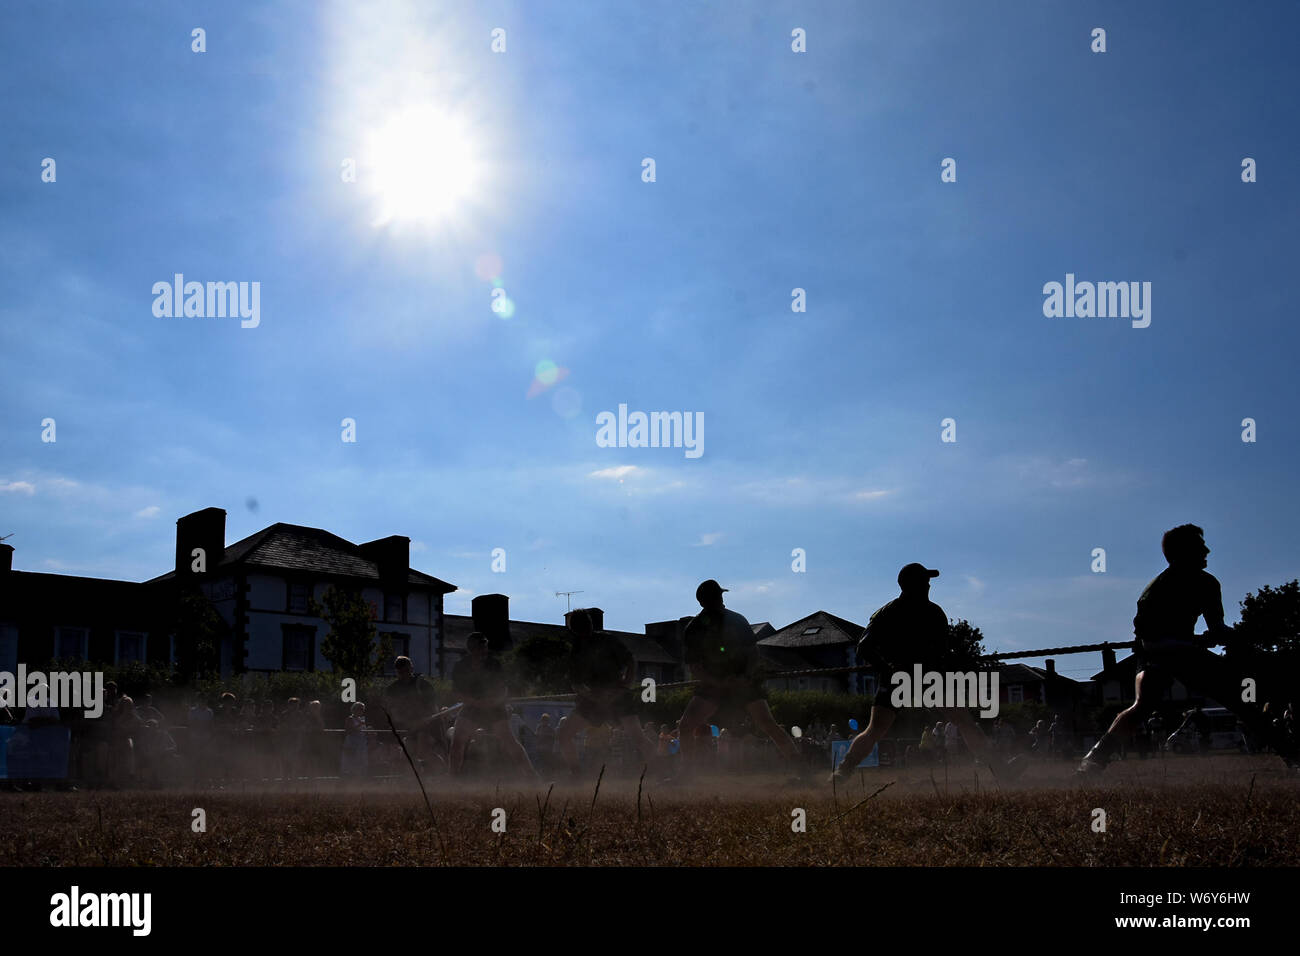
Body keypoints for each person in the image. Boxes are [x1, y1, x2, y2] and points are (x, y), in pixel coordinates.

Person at [1078, 525, 1298, 774]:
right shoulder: (1155, 592)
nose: (1207, 550)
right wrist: (1189, 644)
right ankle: (1094, 759)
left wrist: (1231, 636)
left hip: (1186, 652)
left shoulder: (1208, 584)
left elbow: (1216, 628)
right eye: (1198, 546)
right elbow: (1149, 641)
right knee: (1143, 705)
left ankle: (1292, 755)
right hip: (1155, 654)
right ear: (1180, 553)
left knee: (1240, 700)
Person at [832, 563, 1024, 785]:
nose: (929, 584)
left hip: (909, 677)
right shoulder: (928, 612)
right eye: (925, 580)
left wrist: (889, 670)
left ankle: (842, 772)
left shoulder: (895, 612)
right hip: (923, 677)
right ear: (914, 584)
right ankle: (1001, 770)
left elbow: (866, 648)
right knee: (963, 722)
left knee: (877, 730)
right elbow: (865, 648)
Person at [675, 580, 804, 781]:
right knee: (685, 726)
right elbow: (695, 667)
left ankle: (800, 768)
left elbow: (753, 654)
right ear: (703, 602)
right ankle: (686, 774)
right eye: (715, 597)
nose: (720, 600)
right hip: (714, 685)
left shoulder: (735, 621)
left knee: (767, 723)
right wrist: (719, 683)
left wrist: (745, 677)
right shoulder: (695, 629)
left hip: (742, 682)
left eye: (719, 596)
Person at [555, 609, 650, 778]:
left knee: (638, 737)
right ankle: (577, 775)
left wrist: (624, 686)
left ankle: (577, 775)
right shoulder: (579, 648)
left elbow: (630, 660)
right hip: (600, 698)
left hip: (611, 695)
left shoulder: (604, 640)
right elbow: (576, 683)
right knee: (638, 738)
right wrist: (619, 688)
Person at [448, 632, 537, 779]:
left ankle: (532, 777)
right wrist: (475, 702)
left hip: (494, 706)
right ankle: (452, 780)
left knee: (509, 741)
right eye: (480, 648)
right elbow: (456, 693)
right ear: (472, 649)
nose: (484, 651)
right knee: (457, 741)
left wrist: (495, 701)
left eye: (485, 647)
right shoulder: (461, 666)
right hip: (472, 706)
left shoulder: (494, 664)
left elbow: (503, 689)